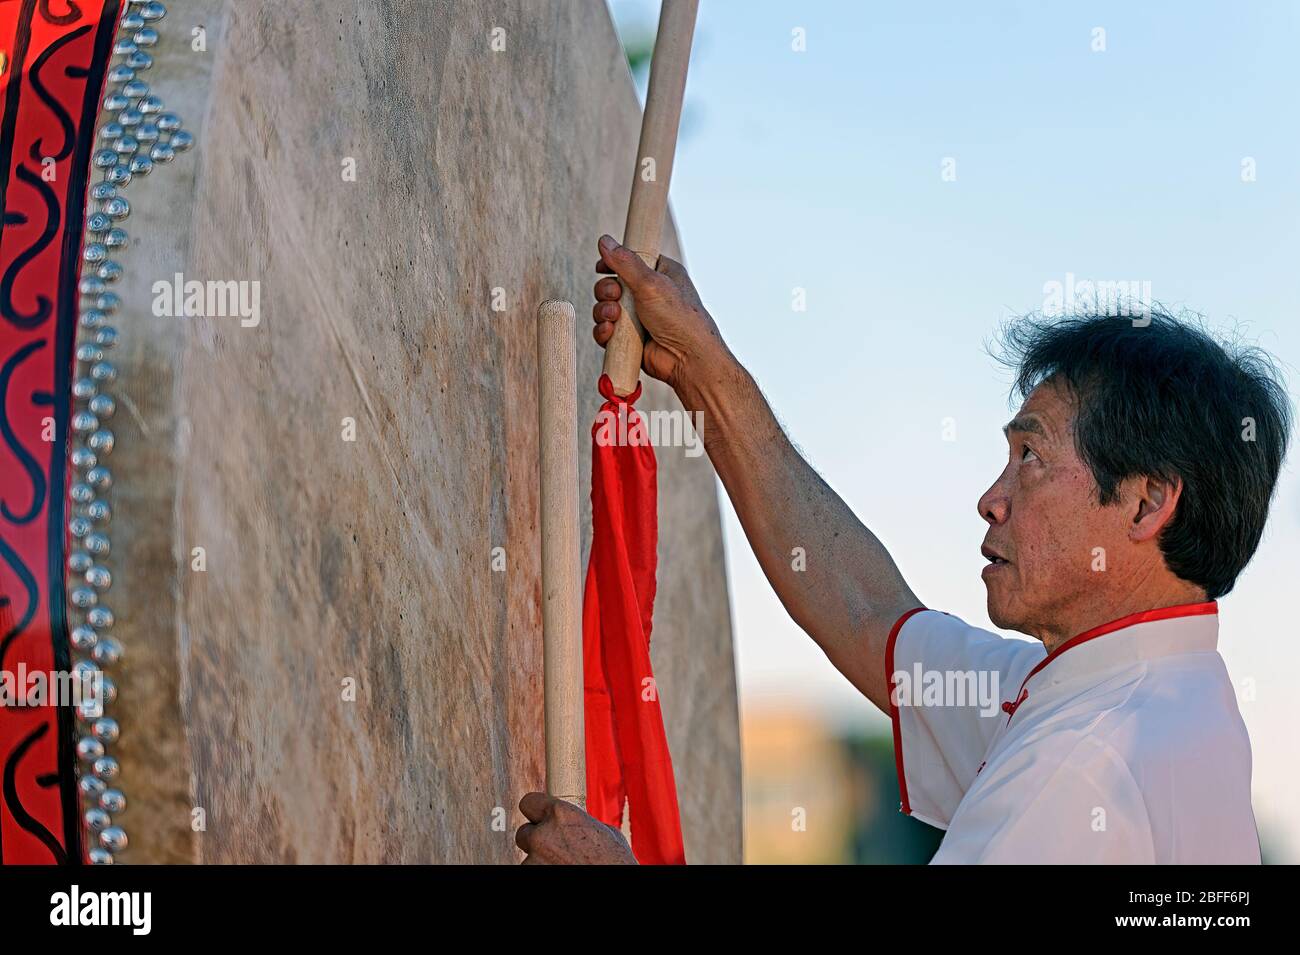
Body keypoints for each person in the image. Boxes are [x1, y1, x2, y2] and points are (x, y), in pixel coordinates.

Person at [515, 234, 1290, 864]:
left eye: (1032, 457)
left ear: (1148, 500)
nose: (992, 497)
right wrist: (702, 370)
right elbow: (869, 614)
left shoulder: (1079, 770)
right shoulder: (1153, 694)